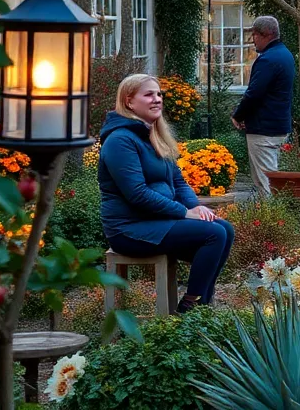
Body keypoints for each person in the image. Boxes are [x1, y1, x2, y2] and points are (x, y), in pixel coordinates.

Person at [100, 75, 234, 313]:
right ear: (129, 102)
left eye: (159, 94)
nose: (157, 99)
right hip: (129, 228)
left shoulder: (153, 136)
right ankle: (191, 308)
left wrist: (195, 207)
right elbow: (137, 194)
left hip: (157, 221)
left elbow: (178, 181)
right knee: (213, 234)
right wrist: (184, 213)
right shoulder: (120, 140)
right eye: (148, 94)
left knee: (225, 229)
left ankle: (201, 303)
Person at [231, 16, 296, 197]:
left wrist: (238, 115)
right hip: (279, 126)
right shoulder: (286, 55)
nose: (253, 40)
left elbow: (254, 94)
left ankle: (273, 223)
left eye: (254, 35)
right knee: (273, 181)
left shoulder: (267, 59)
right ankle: (274, 221)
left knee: (265, 184)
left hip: (264, 130)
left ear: (264, 34)